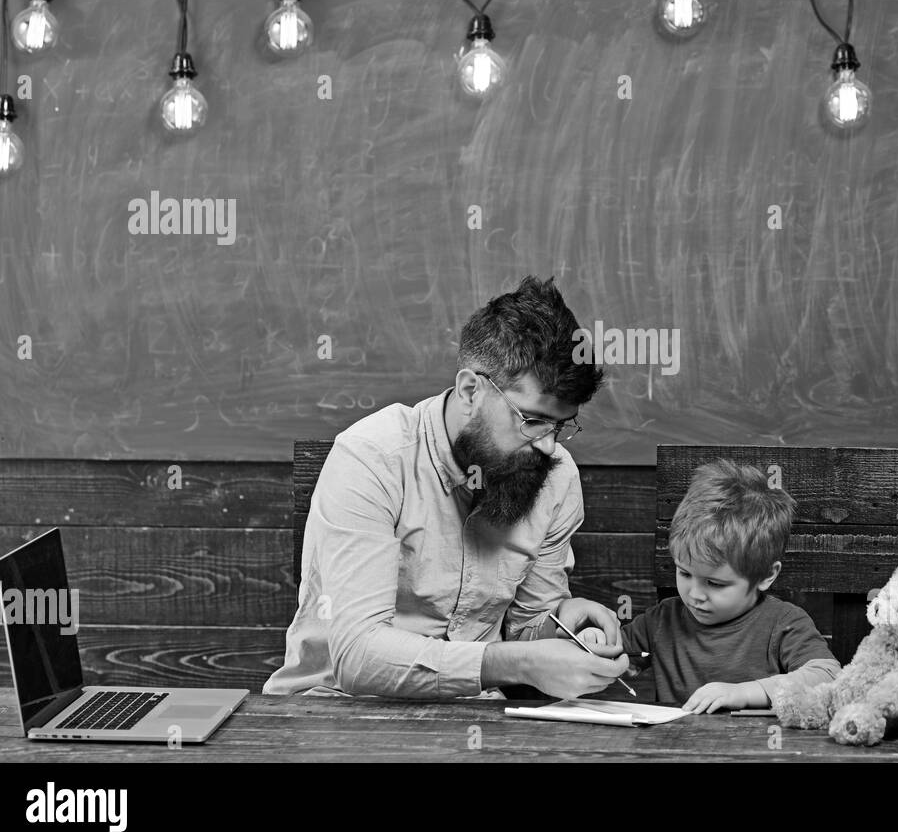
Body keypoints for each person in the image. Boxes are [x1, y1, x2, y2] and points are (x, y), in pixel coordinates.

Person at [263, 276, 628, 699]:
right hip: (338, 712)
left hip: (472, 717)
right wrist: (516, 663)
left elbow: (528, 630)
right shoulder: (372, 457)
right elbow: (357, 656)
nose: (548, 444)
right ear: (471, 390)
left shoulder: (555, 475)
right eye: (532, 421)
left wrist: (562, 624)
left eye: (561, 426)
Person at [582, 459, 842, 711]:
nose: (695, 595)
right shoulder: (662, 620)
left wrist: (743, 693)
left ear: (765, 575)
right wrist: (593, 645)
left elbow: (828, 676)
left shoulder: (783, 623)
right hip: (674, 748)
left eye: (714, 583)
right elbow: (616, 656)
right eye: (684, 574)